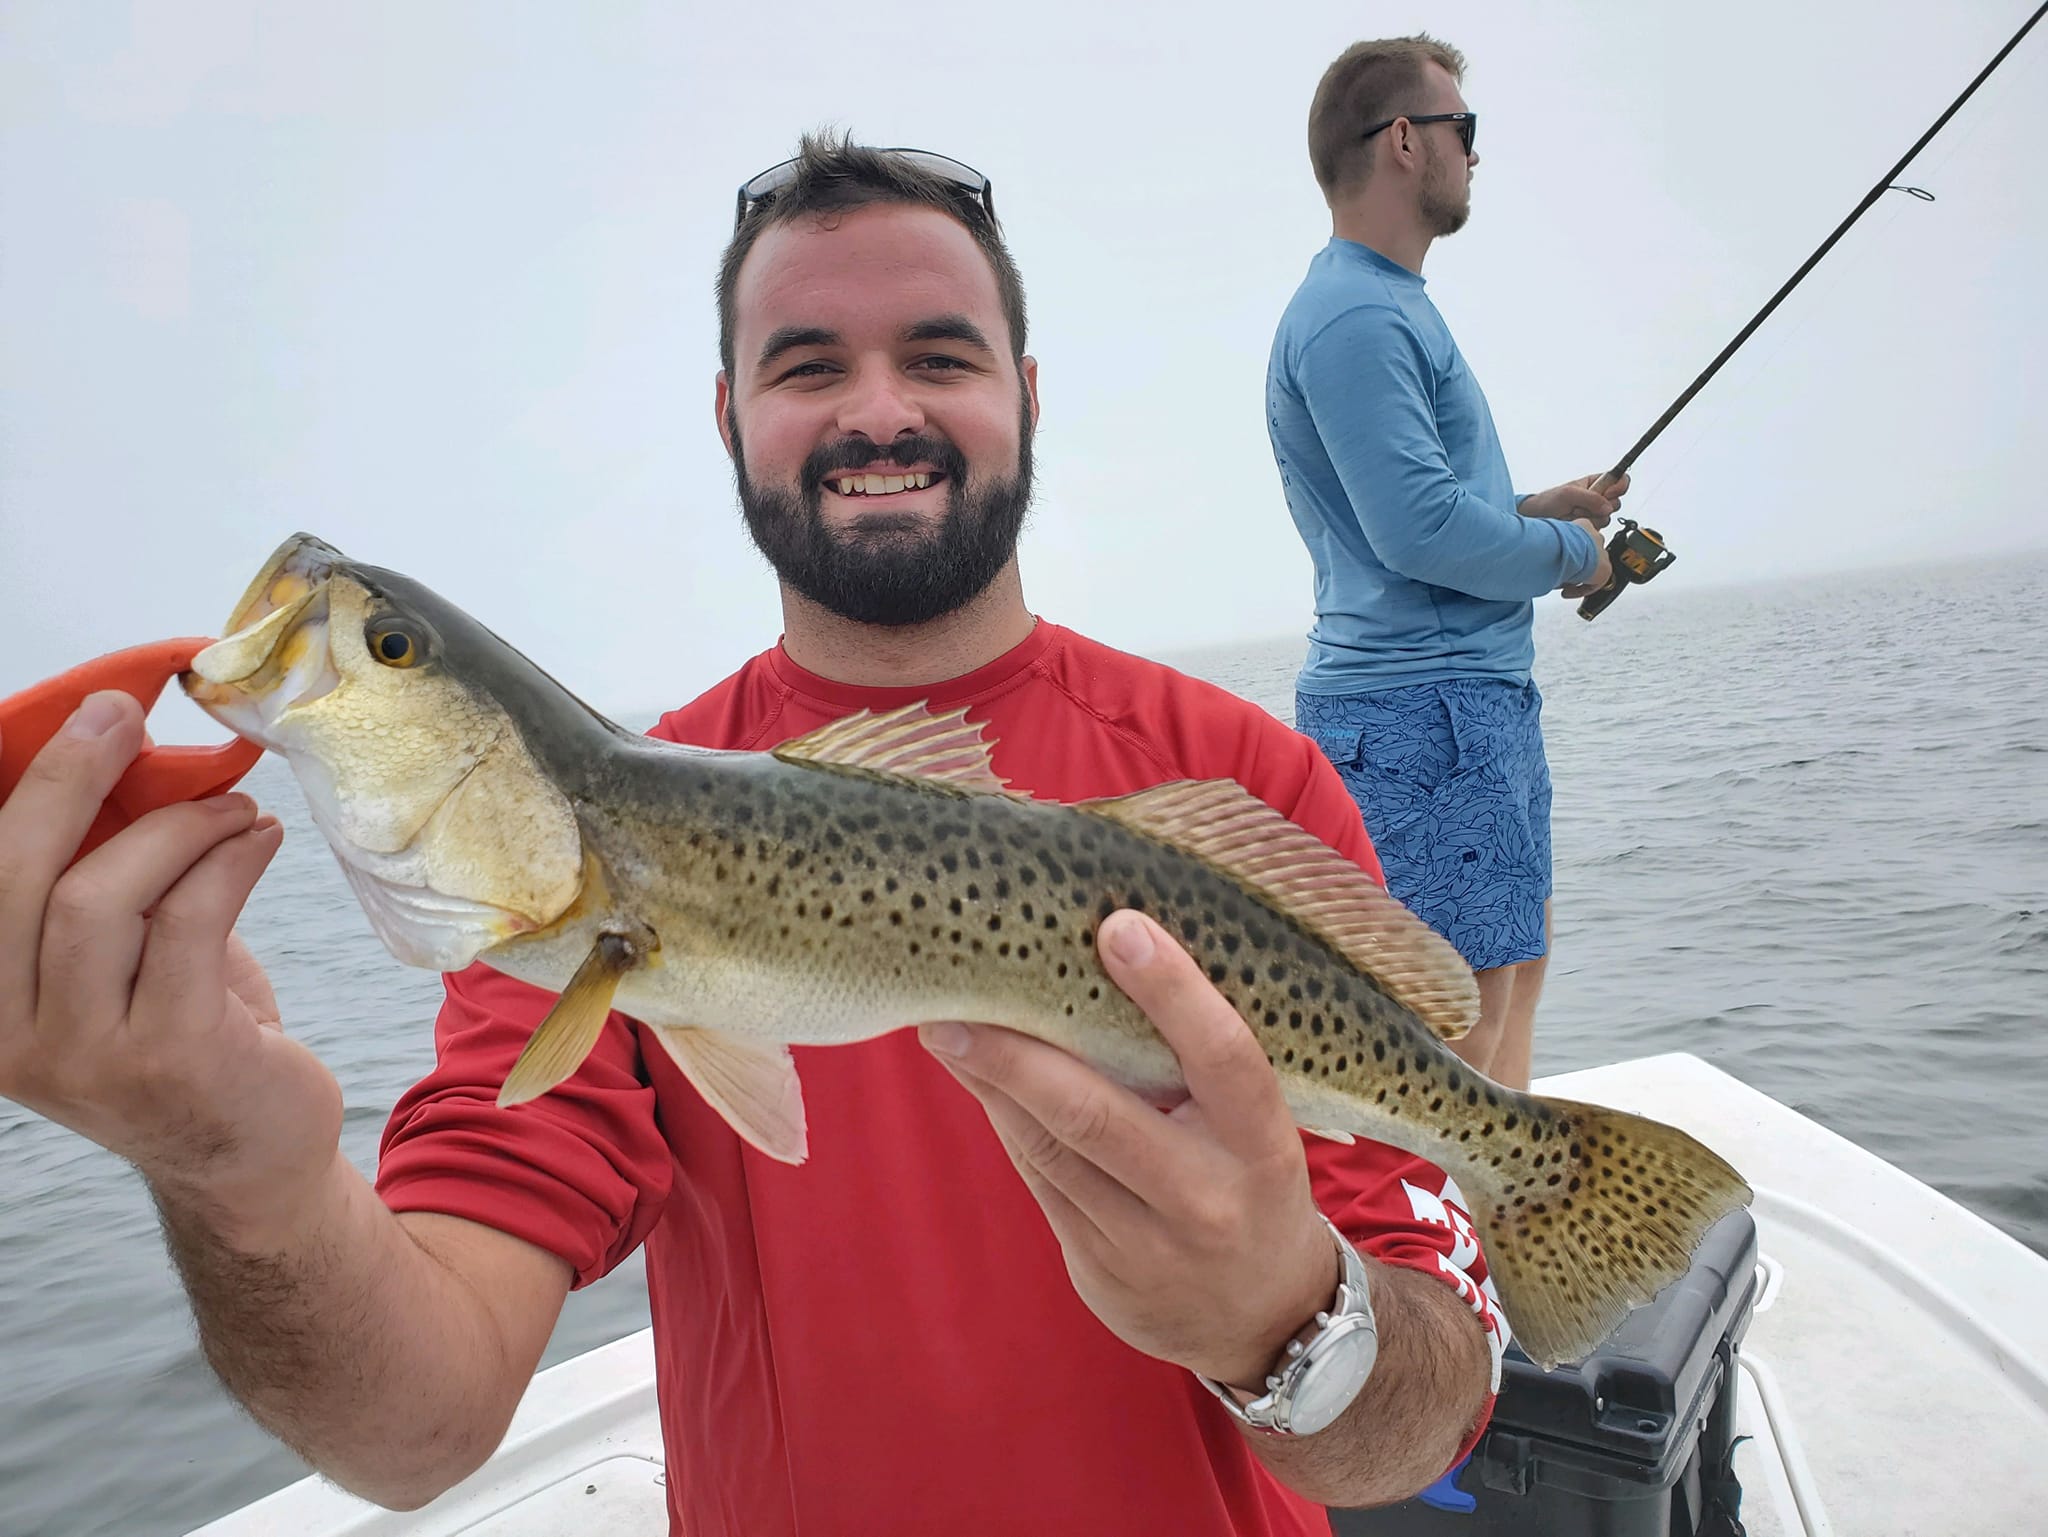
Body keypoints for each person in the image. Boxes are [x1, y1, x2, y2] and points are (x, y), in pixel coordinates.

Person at [0, 137, 1504, 1537]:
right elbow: (416, 1431)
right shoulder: (582, 900)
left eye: (939, 355)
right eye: (806, 366)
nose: (875, 410)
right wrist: (231, 1173)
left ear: (1028, 397)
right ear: (731, 416)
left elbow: (1421, 1425)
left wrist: (1282, 1321)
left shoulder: (1241, 783)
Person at [1266, 36, 1629, 1093]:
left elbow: (1419, 512)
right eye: (1462, 131)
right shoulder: (1355, 315)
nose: (1475, 155)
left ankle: (1495, 1250)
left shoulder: (1382, 304)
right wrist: (1573, 555)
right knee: (1449, 1036)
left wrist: (1532, 510)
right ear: (1401, 142)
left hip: (1465, 704)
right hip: (1416, 714)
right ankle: (1431, 1256)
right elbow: (1417, 532)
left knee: (1510, 982)